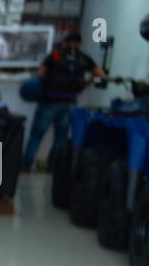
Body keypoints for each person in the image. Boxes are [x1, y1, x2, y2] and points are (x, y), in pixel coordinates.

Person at [22, 32, 106, 170]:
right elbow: (101, 75)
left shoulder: (56, 55)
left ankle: (26, 165)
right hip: (70, 102)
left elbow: (41, 72)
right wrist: (87, 83)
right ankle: (53, 167)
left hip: (49, 101)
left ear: (65, 43)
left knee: (37, 135)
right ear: (80, 44)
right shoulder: (84, 58)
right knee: (60, 139)